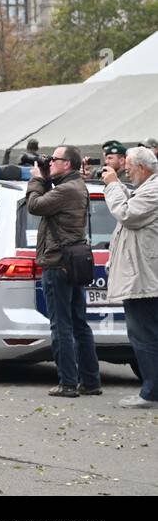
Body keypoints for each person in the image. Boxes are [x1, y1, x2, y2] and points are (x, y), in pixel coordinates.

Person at [27, 145, 100, 398]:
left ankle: (67, 383)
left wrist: (37, 179)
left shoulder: (67, 190)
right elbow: (50, 204)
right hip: (72, 261)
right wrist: (47, 179)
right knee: (79, 324)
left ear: (67, 164)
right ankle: (90, 381)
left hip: (58, 264)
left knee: (62, 326)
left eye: (54, 160)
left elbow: (35, 205)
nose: (50, 163)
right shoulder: (76, 186)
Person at [101, 147, 158, 409]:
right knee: (146, 335)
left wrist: (113, 185)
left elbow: (127, 214)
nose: (126, 172)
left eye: (130, 168)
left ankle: (150, 393)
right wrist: (117, 186)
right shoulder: (148, 188)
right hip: (143, 279)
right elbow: (131, 205)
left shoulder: (154, 190)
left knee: (144, 336)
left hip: (145, 281)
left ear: (144, 169)